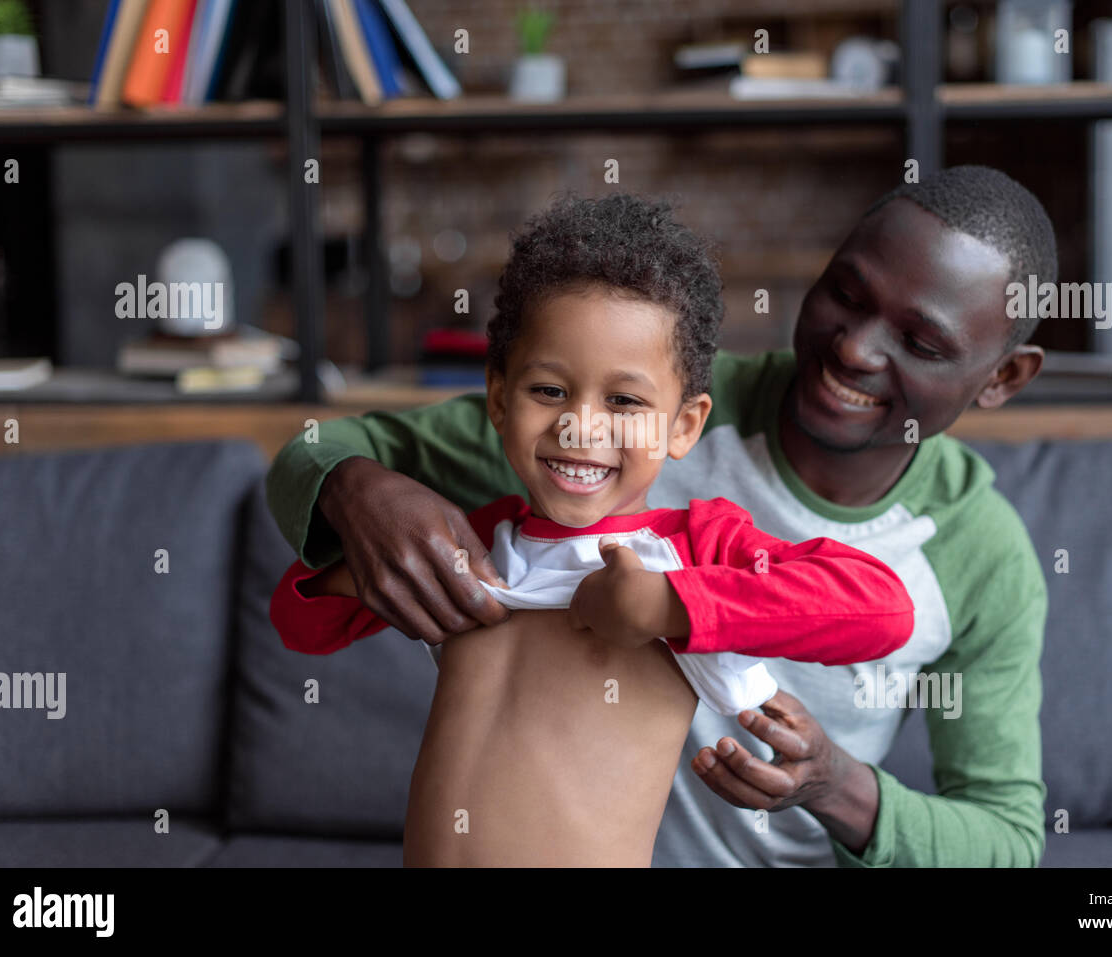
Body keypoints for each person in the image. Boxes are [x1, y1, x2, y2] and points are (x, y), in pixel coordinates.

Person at [266, 165, 1054, 867]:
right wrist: (358, 491)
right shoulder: (604, 383)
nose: (854, 348)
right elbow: (322, 456)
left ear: (1003, 377)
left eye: (920, 340)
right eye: (845, 293)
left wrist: (837, 785)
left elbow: (1008, 838)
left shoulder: (975, 554)